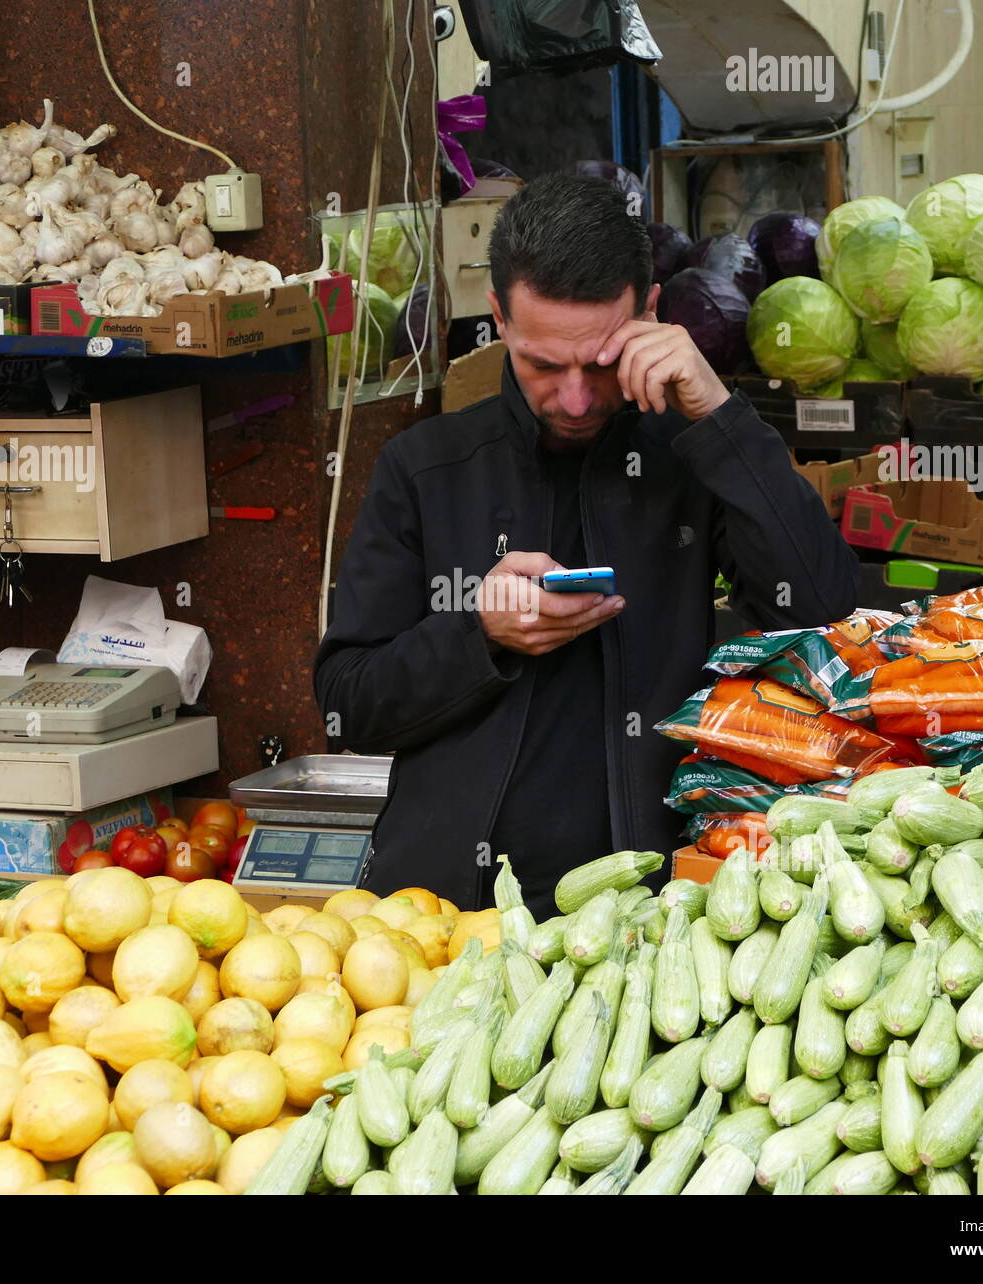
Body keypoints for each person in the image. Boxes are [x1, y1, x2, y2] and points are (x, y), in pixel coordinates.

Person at [314, 172, 858, 917]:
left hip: (658, 917)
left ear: (653, 315)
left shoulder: (692, 454)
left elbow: (829, 616)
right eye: (544, 365)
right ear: (499, 317)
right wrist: (481, 635)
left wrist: (718, 416)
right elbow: (348, 704)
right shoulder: (426, 468)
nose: (574, 399)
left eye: (599, 364)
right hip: (446, 916)